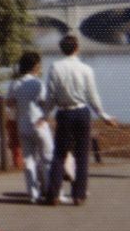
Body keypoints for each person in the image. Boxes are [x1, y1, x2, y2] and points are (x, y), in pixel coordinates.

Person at [43, 35, 117, 206]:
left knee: (59, 153)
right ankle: (79, 194)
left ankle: (53, 193)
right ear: (77, 48)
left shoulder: (55, 67)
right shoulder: (86, 69)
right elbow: (92, 95)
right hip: (82, 112)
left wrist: (45, 114)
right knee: (82, 155)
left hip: (64, 112)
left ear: (62, 49)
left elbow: (50, 94)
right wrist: (103, 115)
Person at [7, 51, 53, 203]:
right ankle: (50, 190)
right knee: (47, 157)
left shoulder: (15, 83)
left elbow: (9, 103)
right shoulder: (37, 83)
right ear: (35, 66)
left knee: (29, 160)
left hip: (23, 124)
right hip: (39, 122)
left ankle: (33, 193)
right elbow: (46, 102)